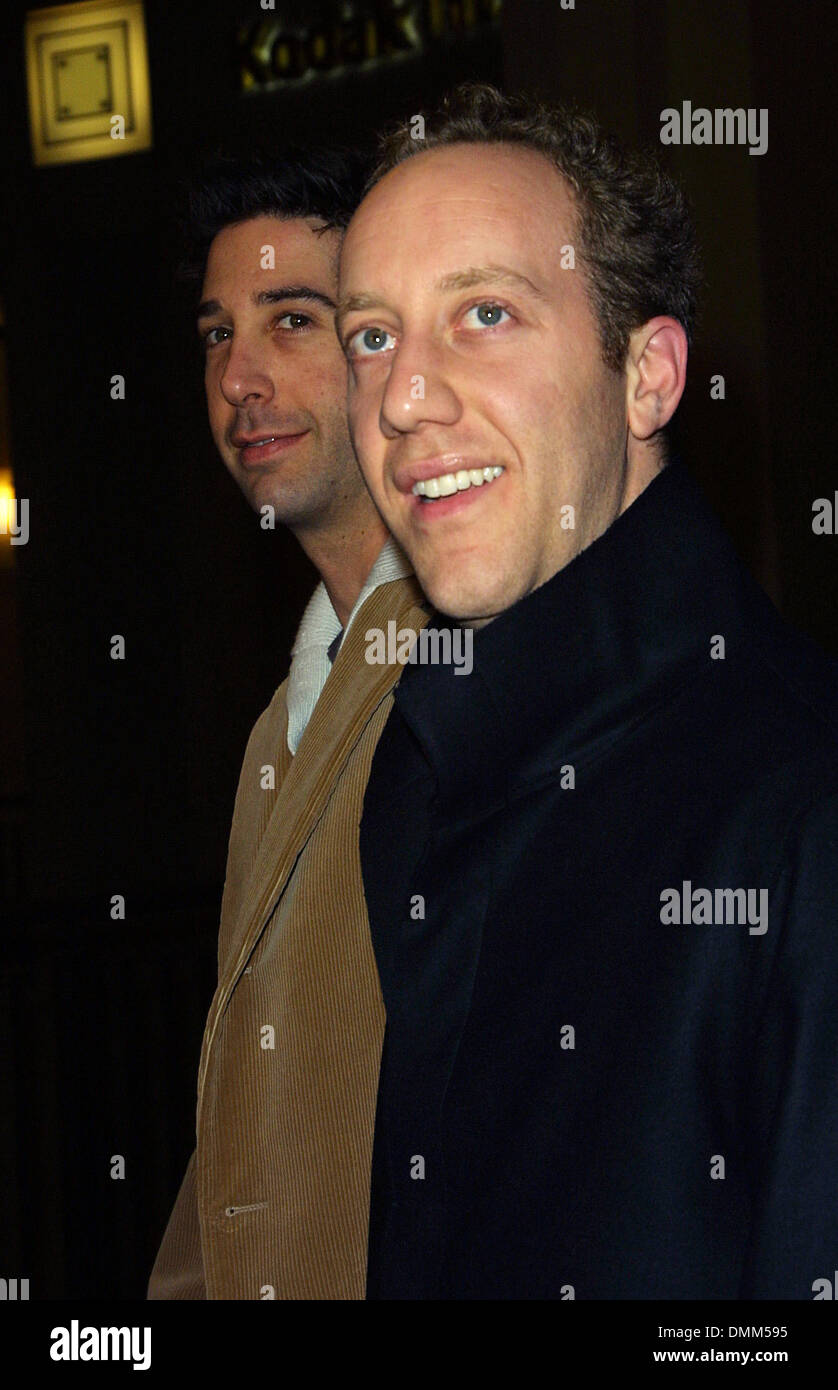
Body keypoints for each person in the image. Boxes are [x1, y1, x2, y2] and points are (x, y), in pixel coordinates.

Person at [337, 84, 838, 1299]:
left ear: (648, 378)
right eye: (369, 336)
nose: (404, 397)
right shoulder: (414, 772)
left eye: (486, 313)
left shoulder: (800, 796)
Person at [147, 150, 427, 1300]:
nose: (241, 380)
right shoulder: (280, 720)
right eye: (218, 333)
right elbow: (247, 1124)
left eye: (292, 320)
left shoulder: (480, 662)